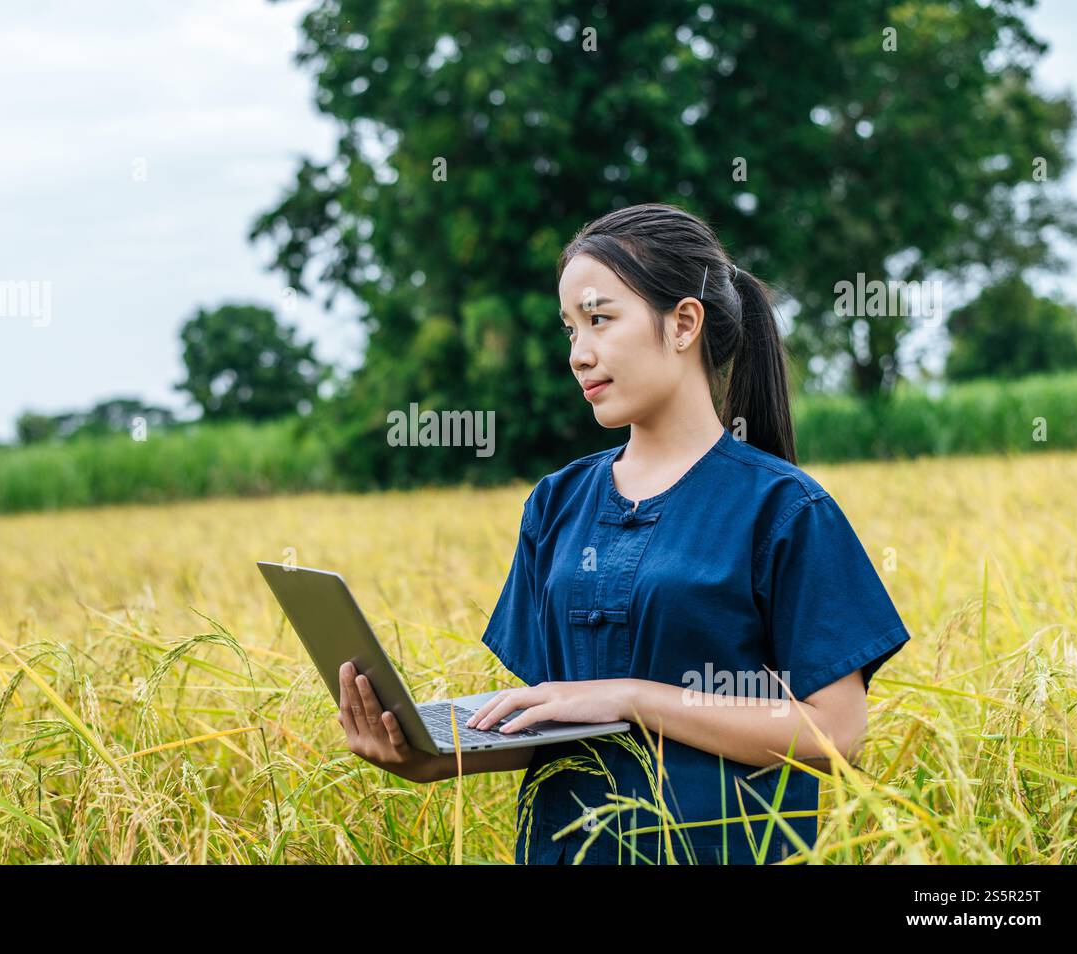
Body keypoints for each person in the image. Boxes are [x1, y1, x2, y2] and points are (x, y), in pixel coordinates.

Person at [336, 201, 911, 865]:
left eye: (600, 320)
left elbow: (835, 730)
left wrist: (635, 697)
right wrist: (428, 758)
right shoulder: (556, 503)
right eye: (570, 329)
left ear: (683, 323)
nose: (580, 354)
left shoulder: (784, 508)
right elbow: (562, 717)